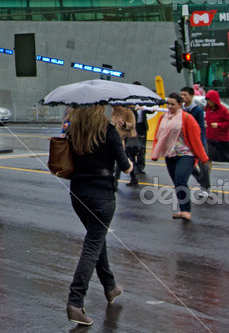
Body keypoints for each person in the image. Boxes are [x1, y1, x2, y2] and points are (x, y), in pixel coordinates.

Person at [65, 104, 133, 326]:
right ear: (99, 110)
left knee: (97, 238)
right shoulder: (109, 131)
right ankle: (75, 301)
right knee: (93, 244)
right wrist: (121, 139)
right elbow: (126, 167)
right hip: (102, 195)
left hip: (78, 193)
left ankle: (110, 287)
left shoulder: (73, 131)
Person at [150, 93, 208, 220]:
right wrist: (155, 152)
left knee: (181, 180)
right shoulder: (163, 118)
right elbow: (158, 137)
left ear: (179, 104)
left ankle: (186, 211)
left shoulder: (187, 118)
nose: (169, 106)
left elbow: (196, 138)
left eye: (173, 104)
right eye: (168, 103)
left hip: (186, 154)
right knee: (177, 183)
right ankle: (182, 210)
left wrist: (202, 157)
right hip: (170, 154)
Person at [180, 86, 210, 197]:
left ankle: (205, 188)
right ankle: (201, 182)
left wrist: (200, 142)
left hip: (198, 141)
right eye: (181, 95)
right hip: (185, 143)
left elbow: (201, 128)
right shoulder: (181, 110)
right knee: (189, 165)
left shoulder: (197, 111)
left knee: (204, 166)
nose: (183, 97)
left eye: (185, 95)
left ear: (192, 96)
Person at [109, 105, 138, 186]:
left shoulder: (128, 112)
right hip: (117, 138)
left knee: (120, 159)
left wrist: (124, 123)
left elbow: (132, 124)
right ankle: (134, 178)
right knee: (126, 159)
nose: (112, 107)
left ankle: (115, 181)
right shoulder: (113, 112)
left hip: (126, 139)